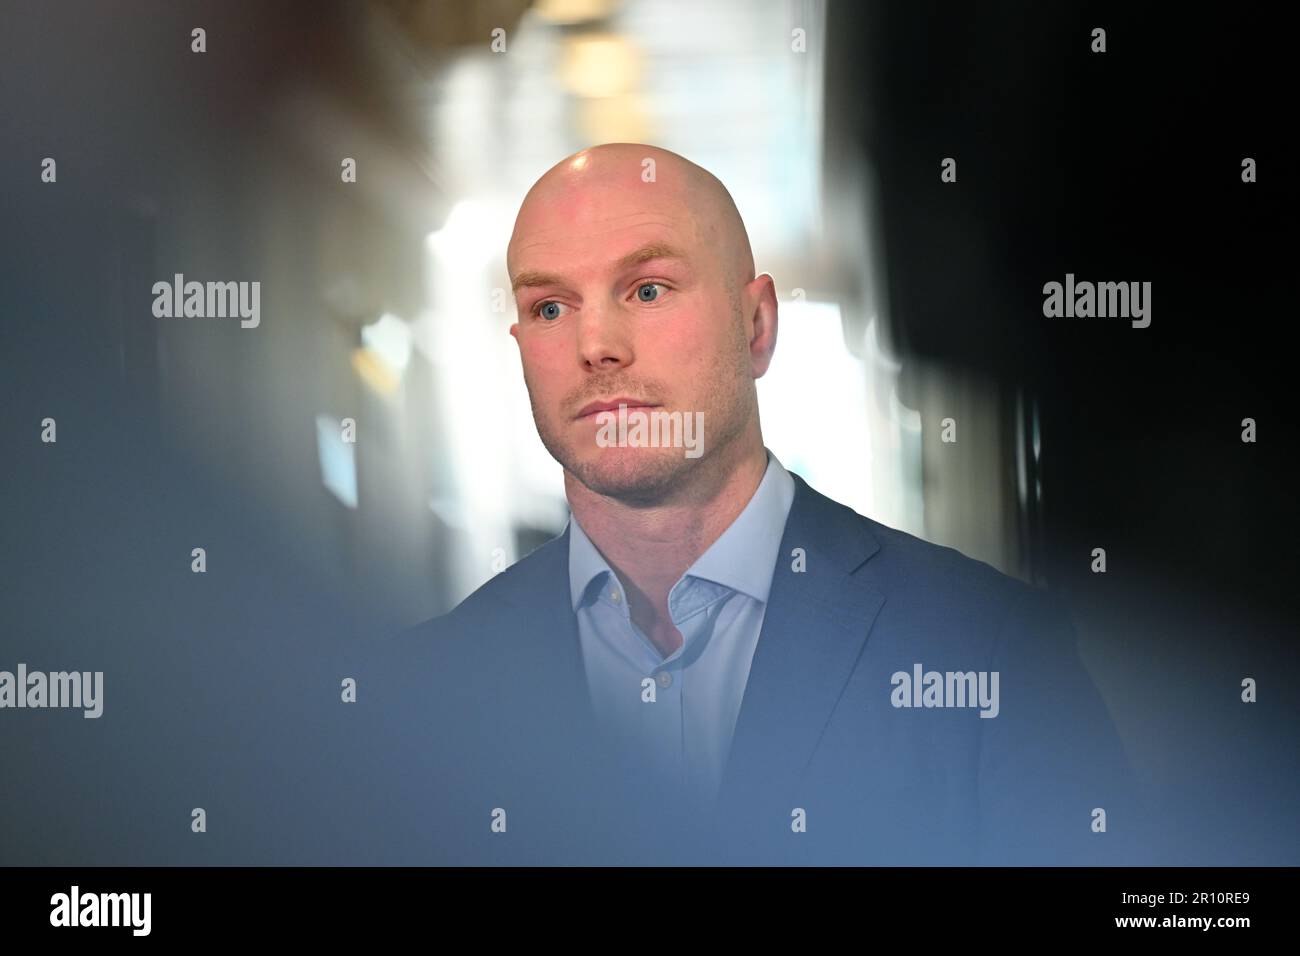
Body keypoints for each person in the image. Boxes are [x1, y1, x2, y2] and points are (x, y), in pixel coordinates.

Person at [345, 143, 1138, 866]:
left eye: (647, 289)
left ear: (756, 326)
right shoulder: (420, 697)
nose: (596, 344)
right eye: (551, 307)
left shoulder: (987, 651)